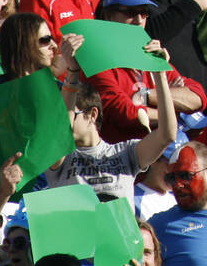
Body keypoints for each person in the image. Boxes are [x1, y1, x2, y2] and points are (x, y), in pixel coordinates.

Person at [49, 36, 178, 207]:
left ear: (92, 115)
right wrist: (72, 72)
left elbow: (167, 135)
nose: (62, 119)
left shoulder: (126, 152)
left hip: (121, 234)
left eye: (72, 112)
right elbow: (62, 131)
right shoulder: (57, 158)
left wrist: (159, 73)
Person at [83, 0, 206, 143]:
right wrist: (175, 112)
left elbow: (198, 96)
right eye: (130, 12)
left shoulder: (149, 51)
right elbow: (127, 114)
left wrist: (145, 96)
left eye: (144, 12)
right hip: (119, 160)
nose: (139, 19)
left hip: (158, 153)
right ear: (109, 15)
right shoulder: (95, 57)